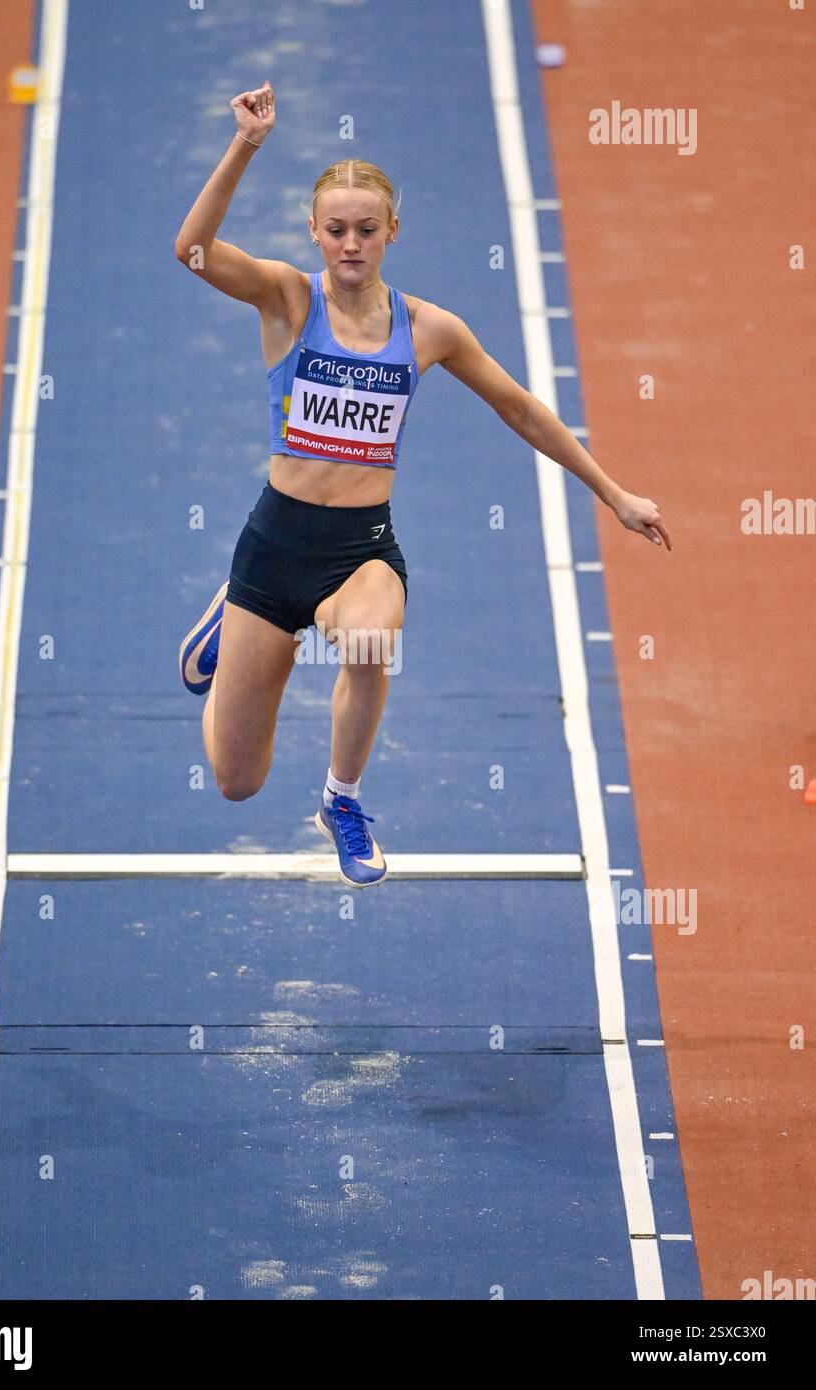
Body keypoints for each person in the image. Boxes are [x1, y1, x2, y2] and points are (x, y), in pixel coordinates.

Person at [174, 79, 671, 890]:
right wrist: (245, 144)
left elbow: (517, 408)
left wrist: (611, 492)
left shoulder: (429, 329)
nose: (349, 245)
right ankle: (222, 627)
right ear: (313, 232)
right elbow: (191, 250)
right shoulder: (284, 299)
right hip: (271, 549)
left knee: (371, 643)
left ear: (390, 232)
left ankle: (341, 800)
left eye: (366, 230)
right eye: (334, 230)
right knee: (235, 780)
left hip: (358, 551)